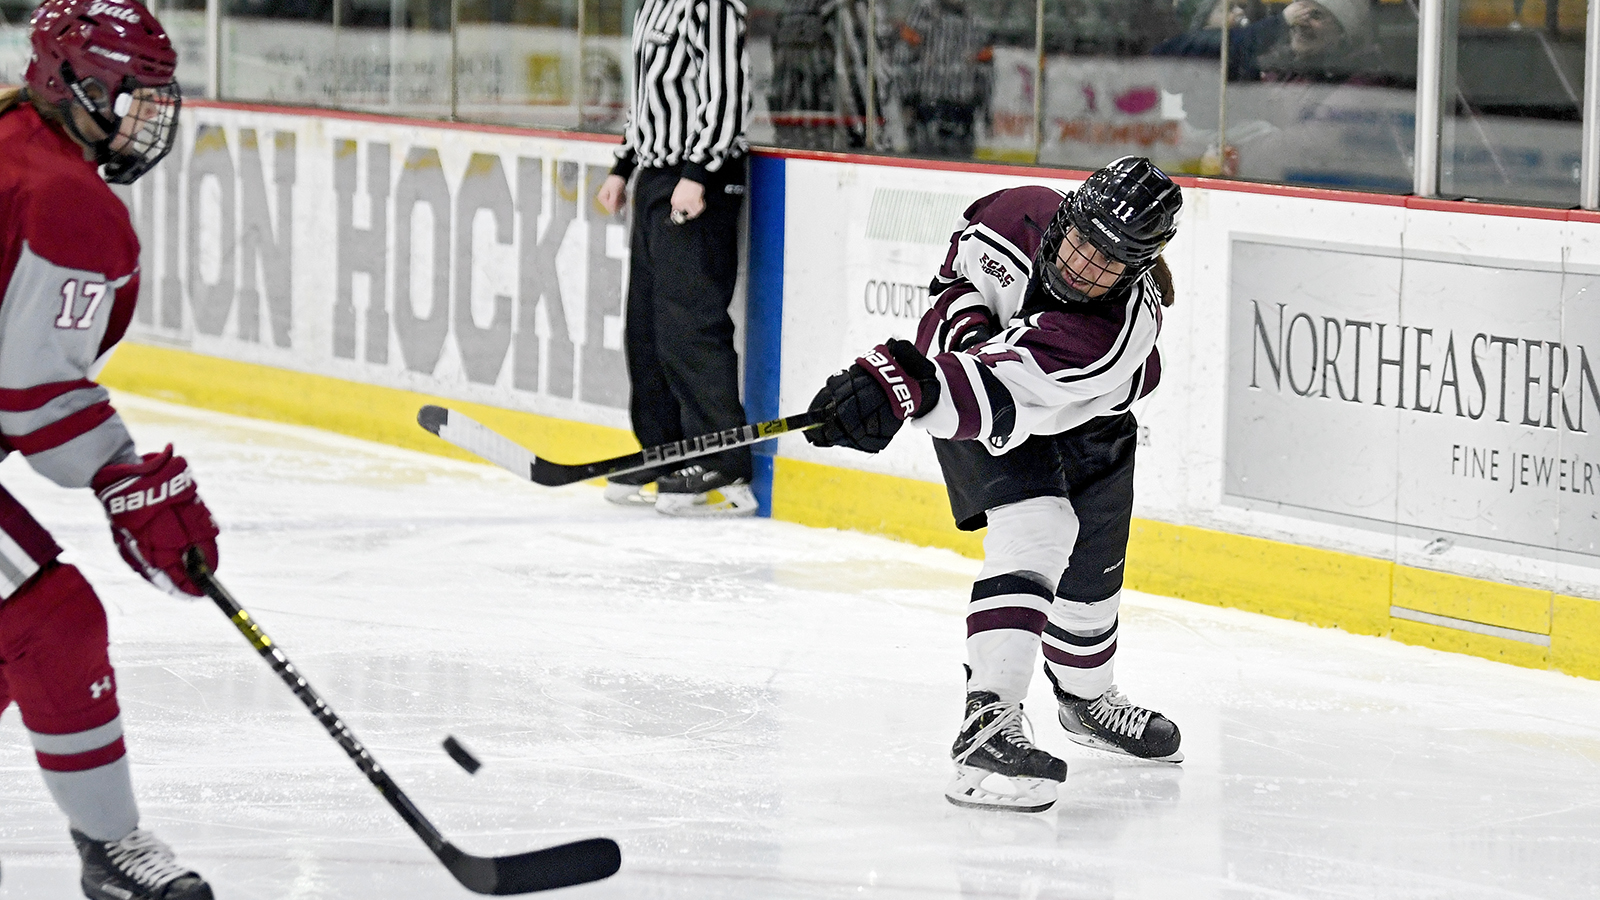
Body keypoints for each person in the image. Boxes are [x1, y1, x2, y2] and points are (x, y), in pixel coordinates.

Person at [806, 157, 1185, 812]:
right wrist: (925, 367)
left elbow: (1006, 389)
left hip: (1083, 410)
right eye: (1083, 242)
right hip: (983, 391)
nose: (1085, 266)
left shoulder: (1113, 335)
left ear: (1138, 269)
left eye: (1111, 262)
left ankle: (1086, 700)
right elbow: (953, 282)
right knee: (1038, 527)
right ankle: (986, 728)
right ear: (1065, 216)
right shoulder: (1013, 215)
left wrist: (913, 386)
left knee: (1092, 578)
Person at [0, 1, 221, 896]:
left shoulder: (16, 138)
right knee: (52, 625)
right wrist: (124, 477)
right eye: (131, 95)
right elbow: (32, 400)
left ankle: (110, 848)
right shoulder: (65, 199)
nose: (145, 118)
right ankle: (113, 848)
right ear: (73, 81)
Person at [595, 0, 757, 518]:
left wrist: (699, 172)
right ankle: (663, 449)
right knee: (645, 327)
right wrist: (623, 164)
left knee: (691, 323)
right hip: (656, 176)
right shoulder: (652, 5)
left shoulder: (713, 5)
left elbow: (728, 96)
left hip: (697, 179)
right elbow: (645, 95)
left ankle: (722, 459)